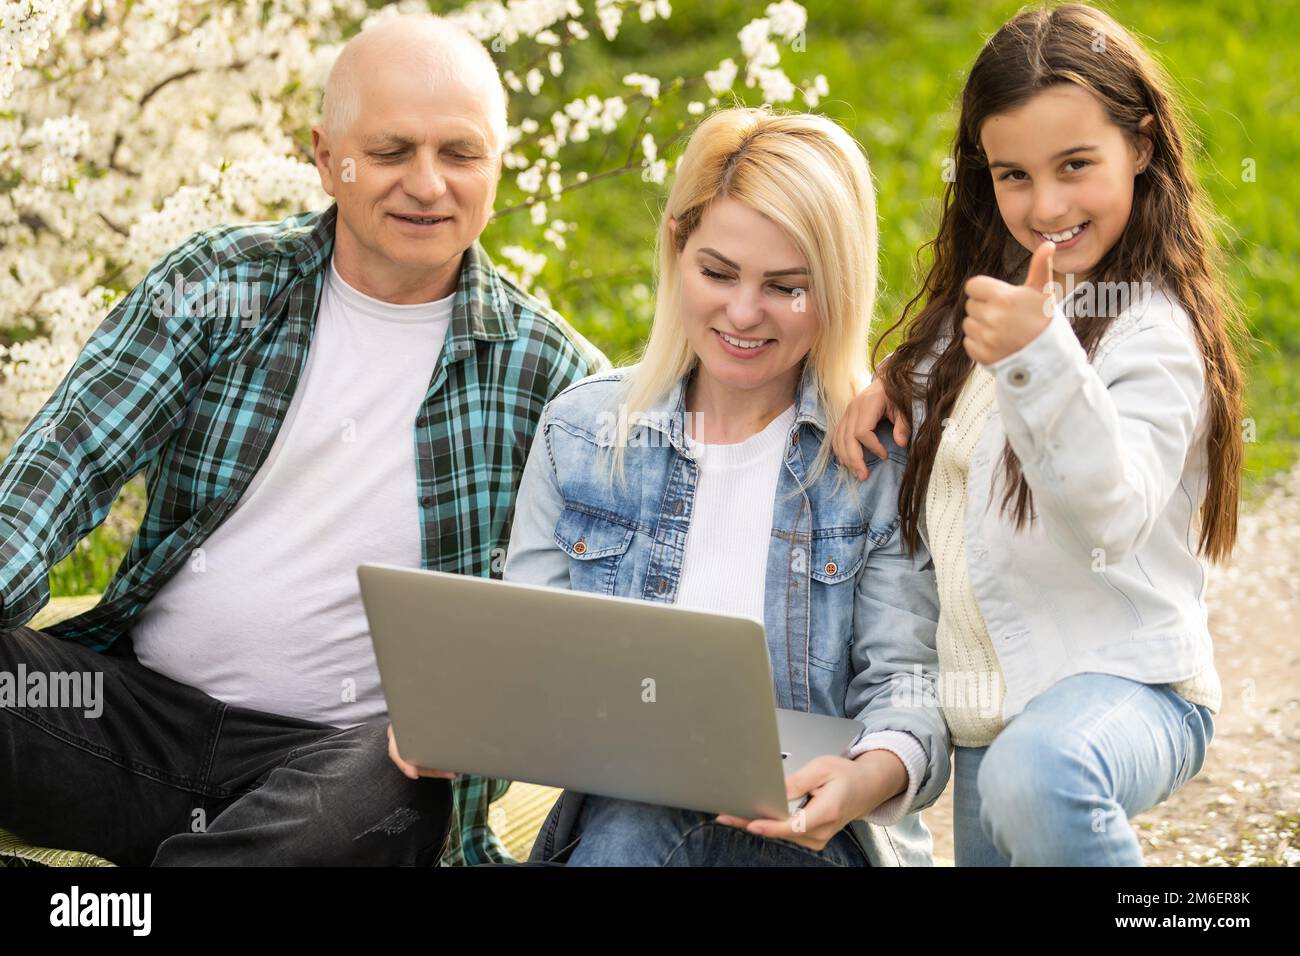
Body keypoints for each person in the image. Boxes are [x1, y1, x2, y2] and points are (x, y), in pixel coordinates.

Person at [0, 14, 606, 865]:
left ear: (496, 163)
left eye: (460, 154)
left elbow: (618, 604)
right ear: (326, 156)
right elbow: (66, 458)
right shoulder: (219, 284)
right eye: (392, 152)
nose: (428, 185)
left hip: (351, 770)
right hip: (132, 720)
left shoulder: (554, 374)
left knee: (393, 787)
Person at [394, 107, 948, 866]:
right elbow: (529, 664)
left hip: (810, 841)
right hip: (620, 827)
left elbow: (907, 691)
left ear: (839, 285)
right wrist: (465, 727)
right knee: (636, 823)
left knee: (639, 834)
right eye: (718, 273)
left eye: (787, 287)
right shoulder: (583, 434)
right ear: (676, 251)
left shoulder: (876, 463)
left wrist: (863, 779)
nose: (744, 313)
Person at [831, 3, 1244, 865]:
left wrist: (1042, 360)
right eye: (1012, 175)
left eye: (1076, 165)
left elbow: (1113, 510)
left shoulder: (1151, 332)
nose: (1045, 203)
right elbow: (966, 418)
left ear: (1142, 146)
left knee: (1040, 774)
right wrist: (895, 381)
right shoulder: (981, 320)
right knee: (1025, 777)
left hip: (1133, 694)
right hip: (999, 726)